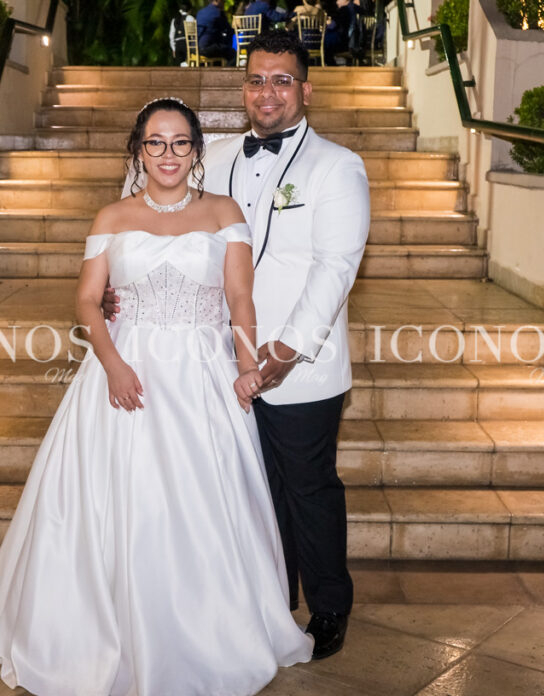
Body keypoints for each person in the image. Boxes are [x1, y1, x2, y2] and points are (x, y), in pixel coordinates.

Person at [0, 98, 314, 696]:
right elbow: (87, 300)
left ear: (196, 149)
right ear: (139, 149)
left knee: (202, 502)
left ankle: (209, 627)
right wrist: (112, 365)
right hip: (125, 369)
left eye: (180, 142)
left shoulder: (223, 211)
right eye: (155, 142)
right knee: (121, 499)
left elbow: (240, 297)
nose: (168, 154)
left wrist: (245, 366)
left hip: (202, 374)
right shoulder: (112, 215)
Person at [113, 31, 370, 660]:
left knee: (308, 488)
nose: (268, 92)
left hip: (299, 366)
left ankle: (329, 606)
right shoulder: (214, 155)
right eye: (257, 79)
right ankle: (269, 601)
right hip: (211, 365)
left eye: (282, 80)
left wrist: (285, 351)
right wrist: (120, 285)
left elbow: (335, 268)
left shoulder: (337, 166)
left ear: (306, 89)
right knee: (248, 490)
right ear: (243, 88)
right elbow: (145, 210)